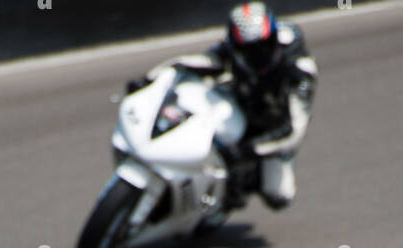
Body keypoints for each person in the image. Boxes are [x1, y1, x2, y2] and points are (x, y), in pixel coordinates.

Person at [135, 4, 318, 211]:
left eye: (263, 48)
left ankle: (242, 185)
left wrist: (249, 149)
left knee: (279, 196)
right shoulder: (231, 47)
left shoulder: (300, 72)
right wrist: (150, 78)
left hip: (273, 128)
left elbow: (293, 130)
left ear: (274, 39)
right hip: (239, 106)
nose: (257, 56)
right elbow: (198, 62)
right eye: (249, 51)